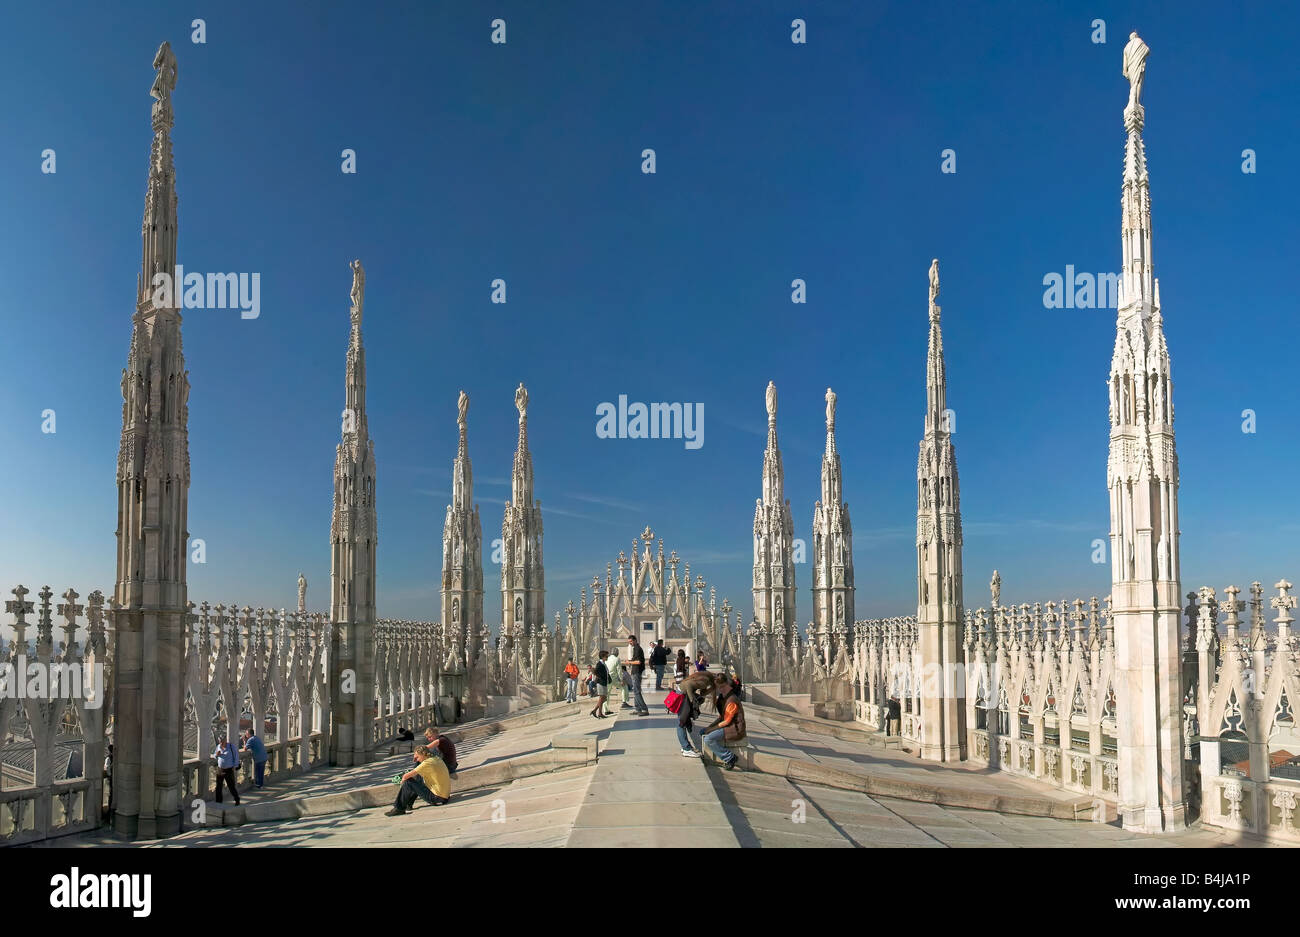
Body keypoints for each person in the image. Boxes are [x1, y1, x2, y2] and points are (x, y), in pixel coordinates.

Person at [385, 745, 451, 816]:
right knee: (418, 777)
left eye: (417, 757)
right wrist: (416, 760)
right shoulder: (436, 758)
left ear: (423, 754)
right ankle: (408, 804)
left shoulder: (427, 763)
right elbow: (417, 773)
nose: (416, 759)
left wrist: (402, 784)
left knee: (408, 782)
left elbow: (405, 777)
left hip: (437, 798)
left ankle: (399, 809)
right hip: (444, 797)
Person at [700, 675, 746, 770]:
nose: (719, 690)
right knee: (703, 732)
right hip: (728, 725)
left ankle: (729, 757)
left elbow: (727, 721)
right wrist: (709, 727)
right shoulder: (723, 697)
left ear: (725, 685)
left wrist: (711, 729)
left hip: (735, 728)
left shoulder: (732, 700)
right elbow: (721, 717)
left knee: (708, 739)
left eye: (720, 687)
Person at [624, 635, 650, 715]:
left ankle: (644, 709)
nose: (630, 643)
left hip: (637, 672)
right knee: (635, 691)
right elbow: (635, 660)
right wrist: (630, 661)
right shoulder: (635, 648)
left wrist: (629, 662)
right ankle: (638, 709)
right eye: (629, 642)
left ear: (635, 640)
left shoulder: (638, 649)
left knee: (637, 691)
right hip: (635, 672)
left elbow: (638, 662)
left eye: (631, 641)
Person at [213, 737, 241, 804]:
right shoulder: (218, 747)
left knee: (231, 786)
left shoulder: (231, 747)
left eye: (222, 741)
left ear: (225, 740)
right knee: (218, 786)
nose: (221, 743)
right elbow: (214, 755)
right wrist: (216, 755)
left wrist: (235, 766)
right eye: (220, 741)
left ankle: (237, 799)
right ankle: (218, 801)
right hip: (220, 769)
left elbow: (236, 756)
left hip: (229, 769)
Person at [676, 684, 701, 758]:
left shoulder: (698, 679)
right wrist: (692, 700)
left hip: (682, 693)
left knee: (682, 722)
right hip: (683, 695)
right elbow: (688, 685)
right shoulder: (702, 680)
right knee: (682, 723)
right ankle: (686, 748)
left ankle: (686, 746)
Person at [589, 650, 610, 719]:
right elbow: (595, 671)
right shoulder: (599, 664)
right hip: (601, 683)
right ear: (603, 657)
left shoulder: (603, 663)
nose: (607, 657)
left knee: (603, 698)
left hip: (604, 683)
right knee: (602, 698)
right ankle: (599, 713)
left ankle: (595, 711)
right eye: (606, 656)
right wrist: (600, 678)